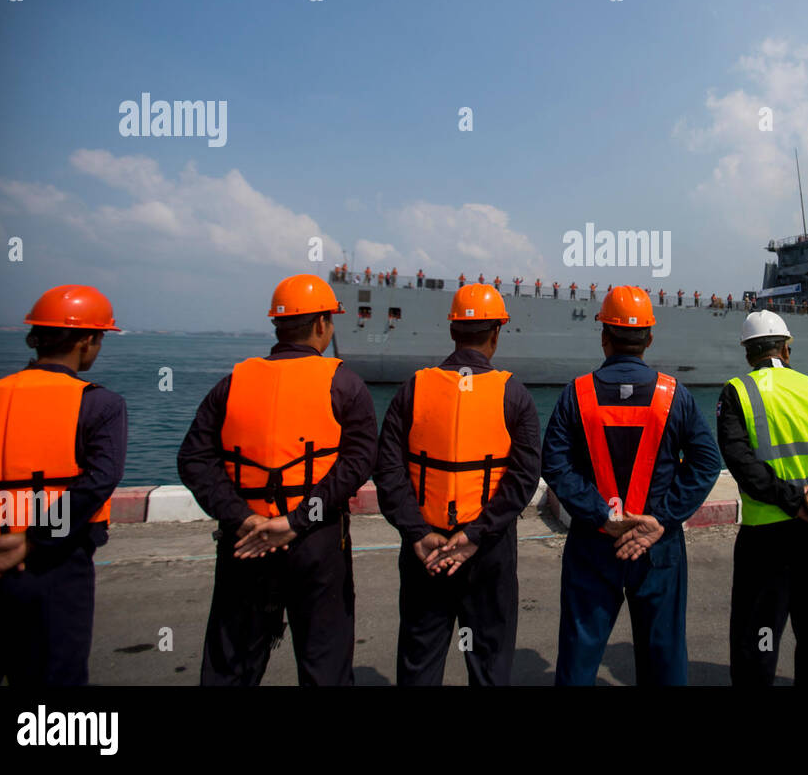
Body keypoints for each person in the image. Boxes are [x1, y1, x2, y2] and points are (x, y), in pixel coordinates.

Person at [177, 274, 377, 686]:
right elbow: (358, 463)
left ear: (277, 325)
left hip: (245, 543)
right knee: (325, 661)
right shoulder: (345, 384)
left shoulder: (232, 383)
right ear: (322, 324)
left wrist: (242, 518)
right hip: (316, 543)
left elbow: (194, 459)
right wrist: (297, 521)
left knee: (231, 663)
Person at [542, 286, 721, 685]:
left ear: (604, 336)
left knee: (578, 655)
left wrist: (602, 517)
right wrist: (661, 520)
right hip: (658, 548)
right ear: (649, 339)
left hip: (592, 545)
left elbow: (554, 464)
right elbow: (707, 463)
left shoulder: (577, 394)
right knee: (664, 658)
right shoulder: (676, 395)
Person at [374, 284, 541, 685]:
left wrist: (416, 532)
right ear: (497, 333)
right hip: (489, 554)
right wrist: (476, 536)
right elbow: (523, 479)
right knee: (488, 661)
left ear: (452, 330)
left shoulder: (412, 389)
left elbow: (387, 471)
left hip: (424, 553)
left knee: (420, 659)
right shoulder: (514, 395)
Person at [0, 285, 126, 686]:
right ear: (88, 340)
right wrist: (31, 540)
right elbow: (97, 483)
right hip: (54, 568)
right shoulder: (97, 403)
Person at [718, 310, 808, 686]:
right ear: (786, 348)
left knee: (759, 633)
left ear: (749, 353)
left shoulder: (738, 392)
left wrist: (790, 499)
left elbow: (739, 459)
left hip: (766, 534)